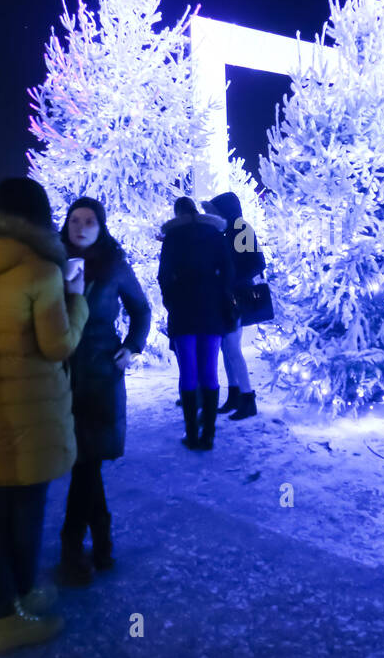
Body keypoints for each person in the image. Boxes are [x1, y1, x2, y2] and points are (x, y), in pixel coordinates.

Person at [0, 177, 88, 654]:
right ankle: (10, 616)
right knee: (26, 512)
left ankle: (10, 601)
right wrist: (77, 298)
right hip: (30, 420)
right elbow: (58, 346)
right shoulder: (39, 271)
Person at [57, 197, 150, 584]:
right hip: (60, 375)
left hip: (99, 374)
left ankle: (74, 547)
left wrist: (131, 346)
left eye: (89, 221)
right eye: (74, 220)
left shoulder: (113, 264)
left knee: (86, 462)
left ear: (101, 226)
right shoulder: (53, 264)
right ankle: (100, 545)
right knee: (84, 464)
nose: (80, 227)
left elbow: (141, 309)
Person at [158, 196, 235, 450]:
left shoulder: (172, 237)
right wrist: (223, 301)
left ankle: (191, 433)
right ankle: (209, 435)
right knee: (210, 370)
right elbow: (228, 272)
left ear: (178, 213)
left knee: (188, 372)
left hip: (183, 310)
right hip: (211, 309)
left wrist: (172, 301)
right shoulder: (214, 233)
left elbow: (164, 276)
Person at [201, 191, 266, 421]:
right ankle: (236, 395)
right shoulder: (230, 231)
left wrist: (231, 279)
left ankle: (246, 398)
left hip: (237, 296)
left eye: (215, 212)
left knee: (231, 348)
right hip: (228, 297)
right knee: (228, 348)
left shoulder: (240, 229)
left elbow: (257, 262)